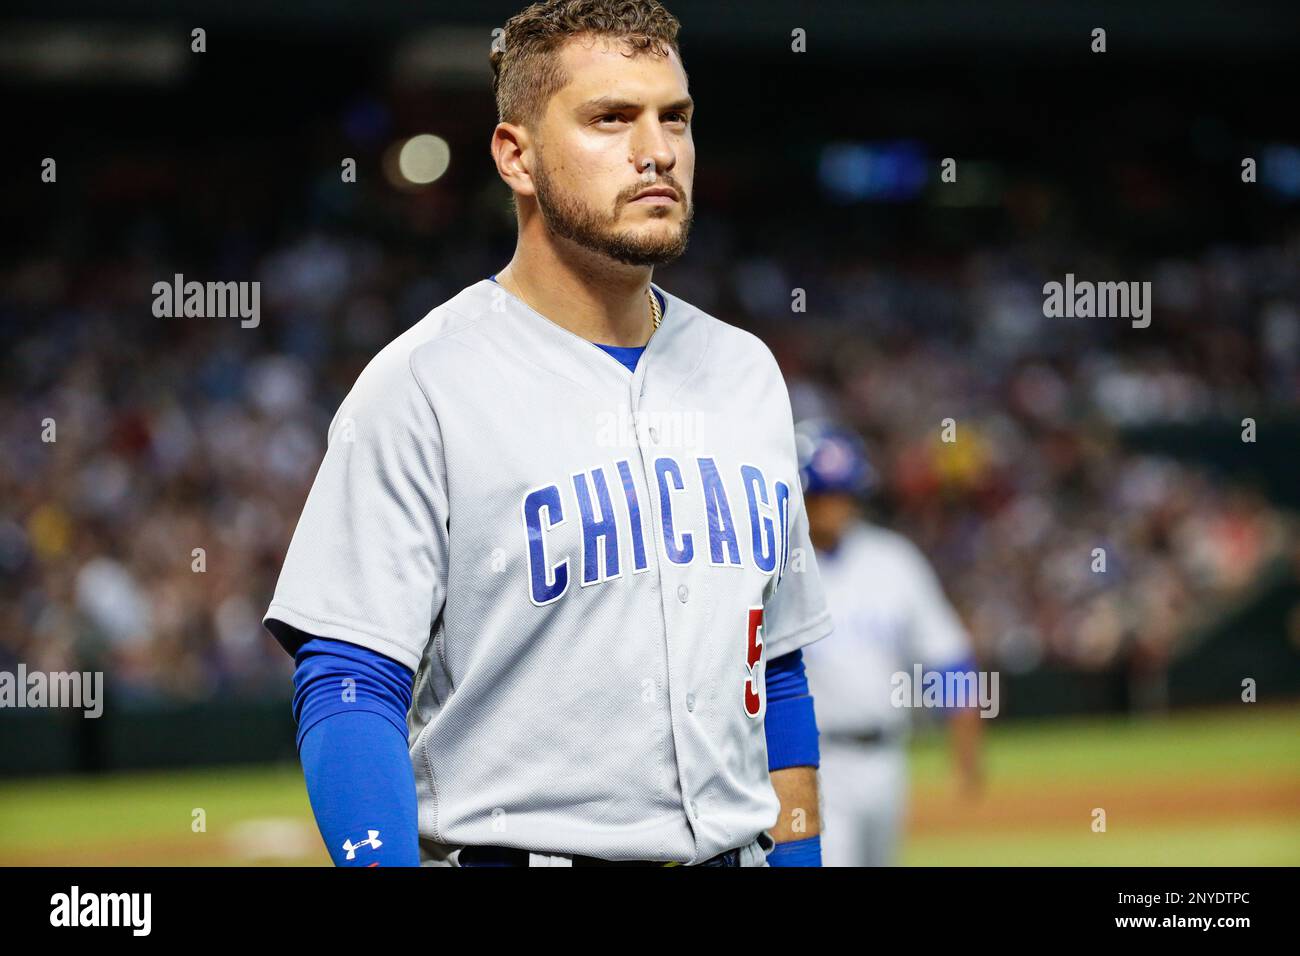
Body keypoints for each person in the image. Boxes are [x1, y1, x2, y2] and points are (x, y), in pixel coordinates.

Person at [261, 0, 832, 867]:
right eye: (611, 118)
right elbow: (349, 681)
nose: (657, 150)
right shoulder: (424, 383)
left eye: (673, 117)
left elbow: (778, 675)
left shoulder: (747, 371)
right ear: (515, 157)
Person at [795, 420, 984, 867]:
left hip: (886, 760)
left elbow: (947, 658)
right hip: (811, 762)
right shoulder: (779, 564)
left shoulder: (892, 560)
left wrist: (966, 752)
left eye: (842, 493)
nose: (832, 506)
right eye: (821, 494)